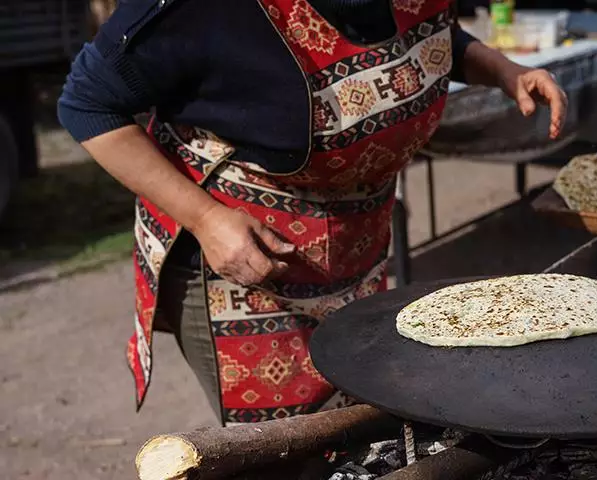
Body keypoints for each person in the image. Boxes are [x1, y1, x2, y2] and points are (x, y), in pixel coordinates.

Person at [58, 0, 567, 425]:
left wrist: (504, 71)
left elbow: (429, 37)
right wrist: (207, 219)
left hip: (356, 245)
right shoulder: (203, 8)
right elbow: (86, 103)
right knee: (291, 451)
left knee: (356, 426)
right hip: (246, 267)